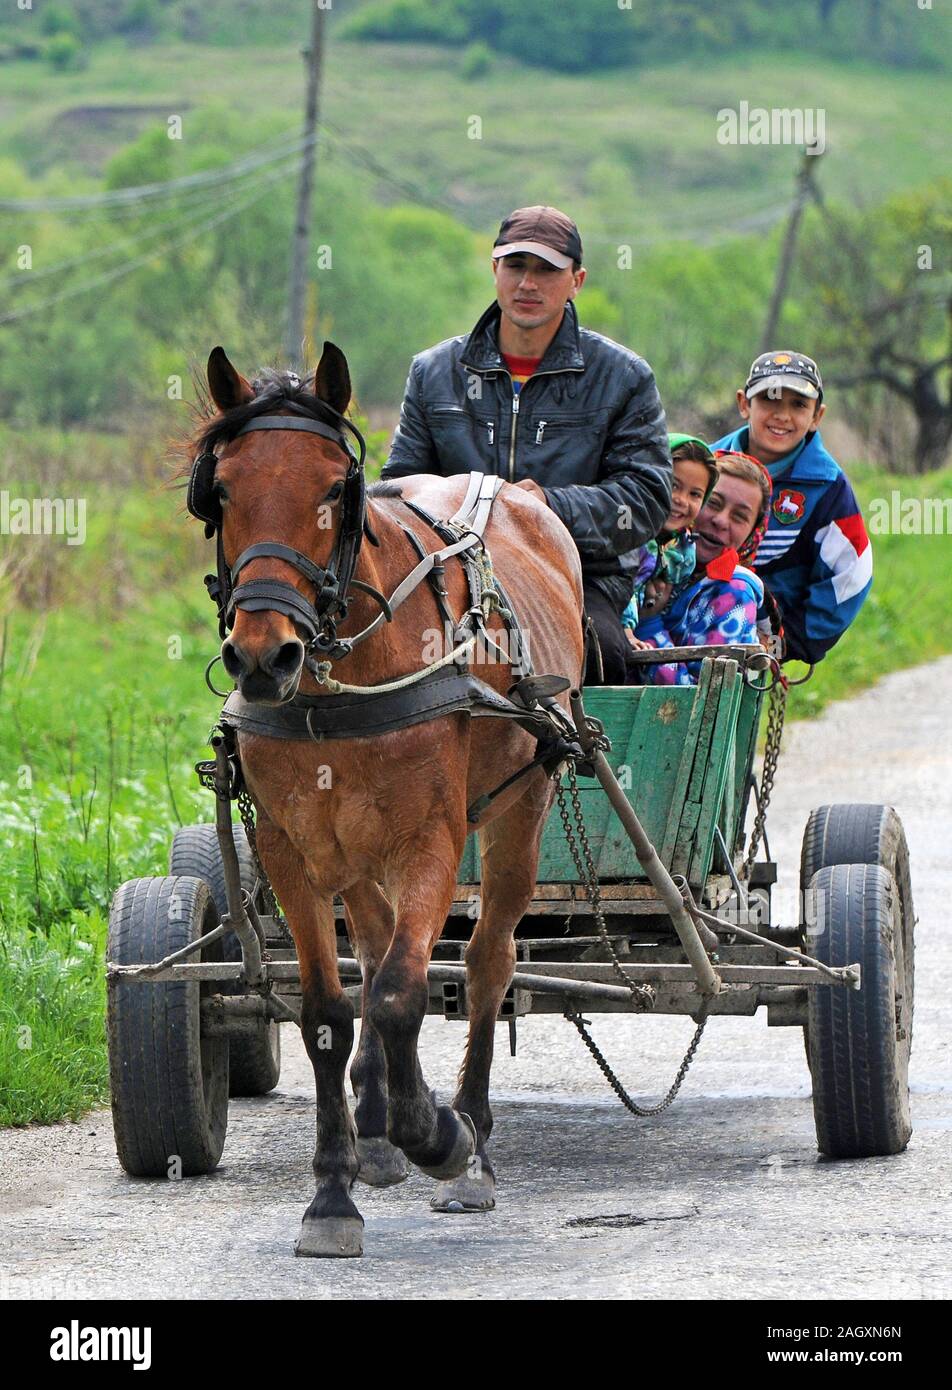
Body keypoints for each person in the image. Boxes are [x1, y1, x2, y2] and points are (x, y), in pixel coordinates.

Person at [381, 205, 672, 683]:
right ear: (495, 269)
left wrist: (545, 507)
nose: (528, 284)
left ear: (577, 281)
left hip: (577, 573)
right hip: (445, 571)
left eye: (547, 270)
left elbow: (645, 498)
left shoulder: (623, 377)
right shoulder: (434, 372)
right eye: (516, 266)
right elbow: (399, 487)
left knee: (603, 656)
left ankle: (584, 738)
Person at [713, 350, 872, 666]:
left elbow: (851, 574)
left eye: (798, 404)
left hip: (768, 638)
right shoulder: (706, 464)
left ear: (817, 417)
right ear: (744, 404)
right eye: (769, 399)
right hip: (687, 627)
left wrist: (786, 642)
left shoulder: (827, 486)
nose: (782, 415)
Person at [630, 451, 770, 686]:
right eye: (713, 503)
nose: (721, 521)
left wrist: (649, 623)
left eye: (739, 517)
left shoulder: (735, 593)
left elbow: (704, 698)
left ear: (752, 535)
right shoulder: (646, 554)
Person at [621, 433, 719, 638]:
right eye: (673, 485)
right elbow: (622, 586)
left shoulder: (684, 548)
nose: (681, 500)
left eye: (695, 494)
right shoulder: (628, 527)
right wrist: (627, 632)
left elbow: (674, 606)